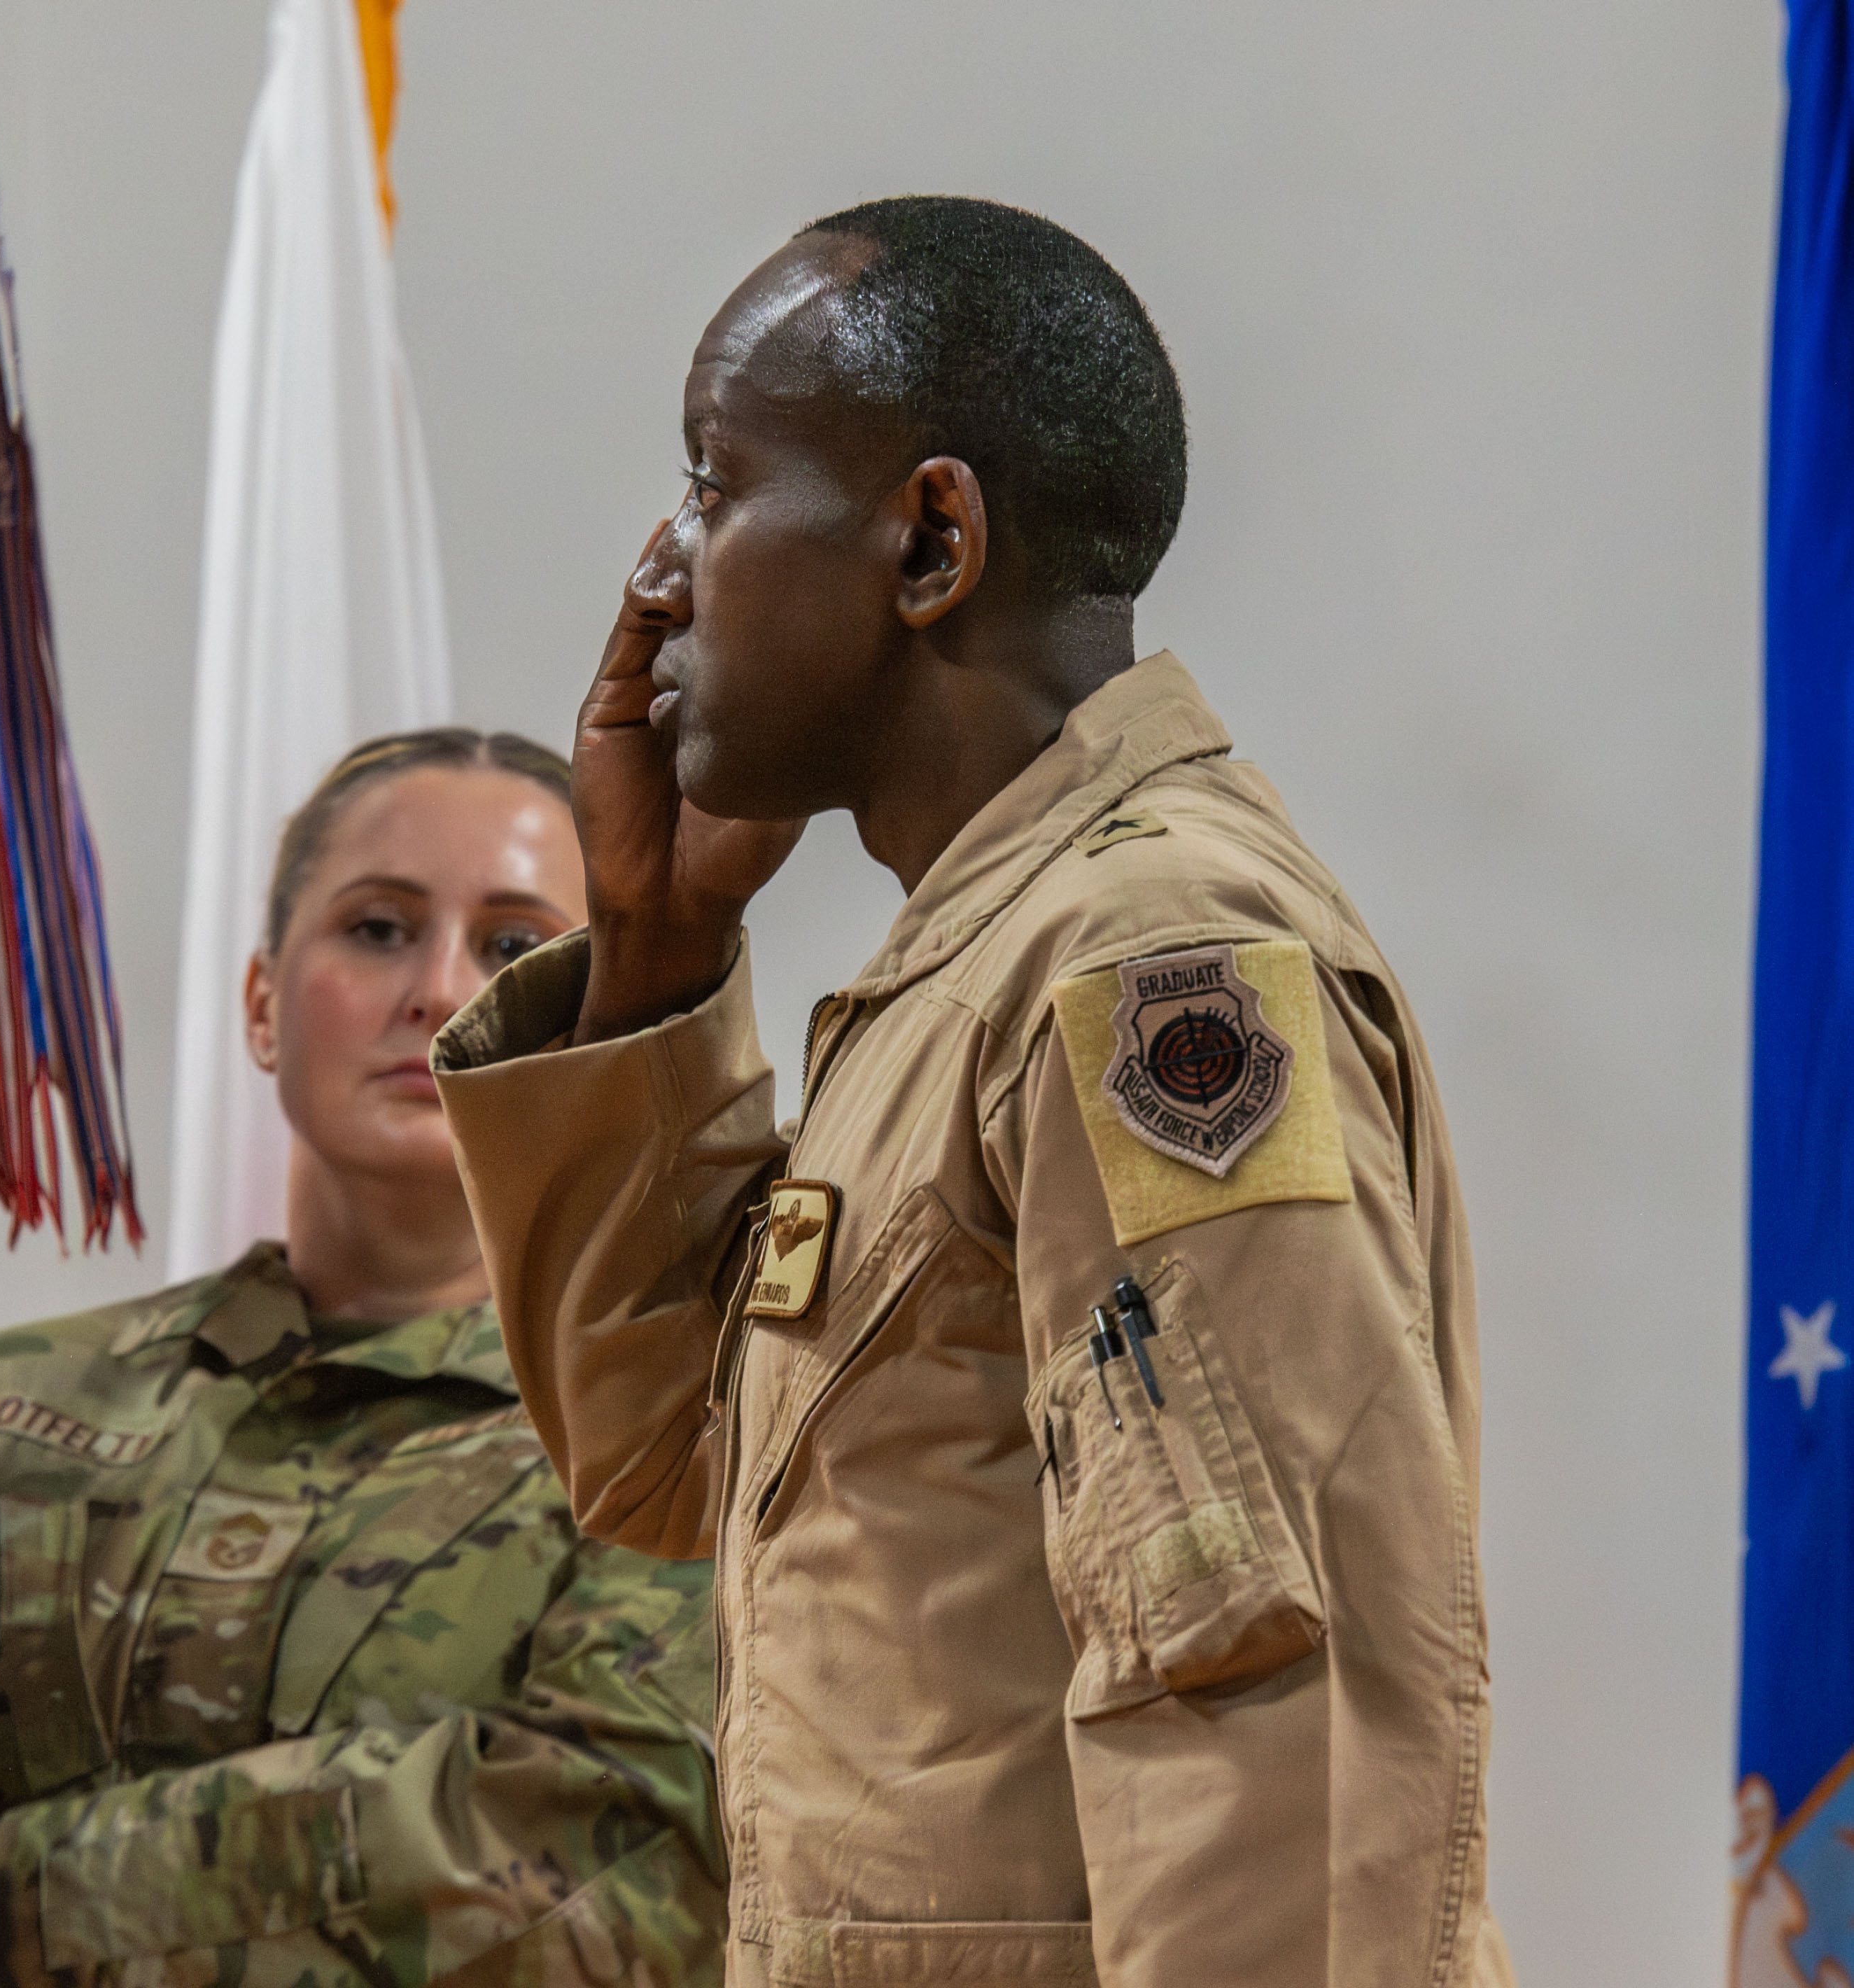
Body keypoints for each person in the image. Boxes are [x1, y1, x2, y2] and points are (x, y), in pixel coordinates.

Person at [431, 199, 1512, 1986]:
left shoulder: (1142, 953)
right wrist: (655, 947)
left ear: (932, 540)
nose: (660, 571)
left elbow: (1272, 1703)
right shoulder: (978, 961)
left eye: (712, 483)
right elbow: (661, 1464)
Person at [0, 729, 726, 1988]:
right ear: (259, 1005)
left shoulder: (669, 1437)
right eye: (378, 928)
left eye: (514, 947)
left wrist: (23, 1917)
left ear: (595, 1024)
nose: (437, 990)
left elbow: (621, 1835)